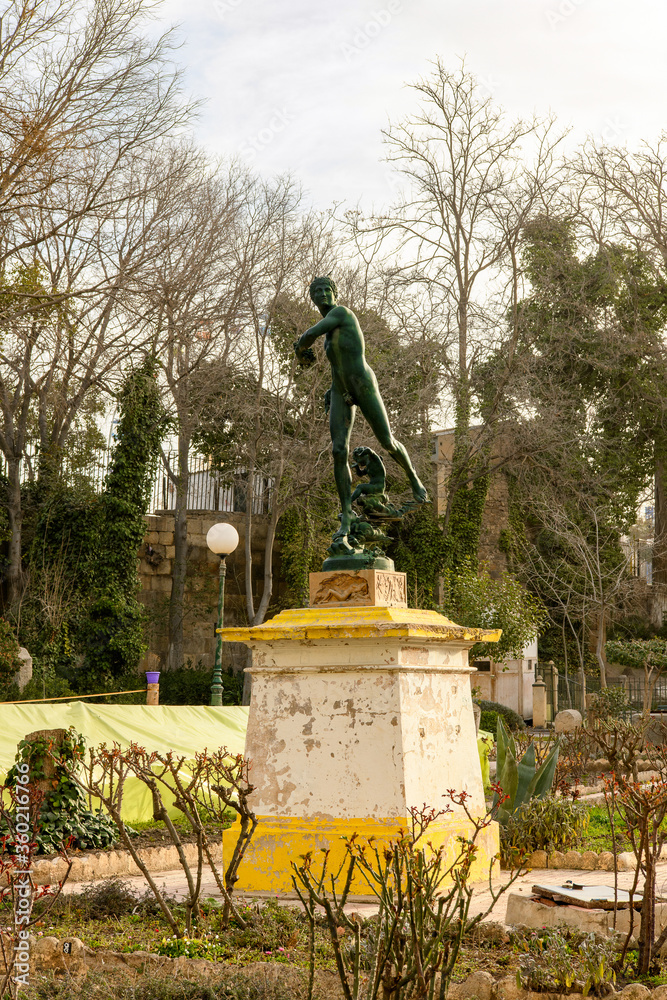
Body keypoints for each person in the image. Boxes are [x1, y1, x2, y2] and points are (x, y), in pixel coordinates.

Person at [295, 275, 427, 550]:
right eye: (316, 291)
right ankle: (346, 516)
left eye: (326, 290)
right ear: (312, 297)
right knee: (338, 450)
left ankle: (417, 486)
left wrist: (299, 349)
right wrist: (332, 392)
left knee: (387, 440)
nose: (322, 294)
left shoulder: (341, 313)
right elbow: (336, 365)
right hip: (342, 390)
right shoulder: (330, 337)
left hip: (364, 384)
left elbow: (308, 335)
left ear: (335, 293)